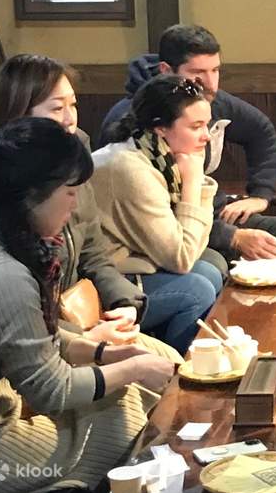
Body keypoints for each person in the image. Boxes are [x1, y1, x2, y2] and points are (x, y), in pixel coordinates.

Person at [0, 118, 175, 493]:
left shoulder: (2, 242)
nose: (77, 202)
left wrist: (102, 351)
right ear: (32, 194)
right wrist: (133, 368)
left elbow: (38, 336)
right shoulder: (2, 272)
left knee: (143, 359)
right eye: (69, 191)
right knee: (125, 406)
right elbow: (49, 390)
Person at [0, 54, 180, 363]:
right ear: (18, 115)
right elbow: (13, 307)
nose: (71, 119)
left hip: (79, 319)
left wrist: (124, 302)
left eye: (74, 105)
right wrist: (85, 340)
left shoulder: (75, 155)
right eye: (57, 108)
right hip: (37, 345)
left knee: (172, 364)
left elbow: (93, 252)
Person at [102, 24, 276, 263]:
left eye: (216, 70)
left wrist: (260, 194)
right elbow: (159, 228)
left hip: (214, 214)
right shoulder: (132, 123)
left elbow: (261, 130)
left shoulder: (209, 99)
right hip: (166, 235)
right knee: (213, 267)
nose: (210, 84)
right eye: (198, 73)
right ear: (166, 70)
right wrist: (233, 237)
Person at [95, 75, 225, 352]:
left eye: (207, 124)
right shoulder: (130, 168)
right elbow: (181, 258)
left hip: (135, 263)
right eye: (196, 126)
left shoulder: (157, 155)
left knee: (211, 270)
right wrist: (194, 183)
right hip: (105, 282)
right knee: (196, 289)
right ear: (160, 128)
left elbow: (190, 250)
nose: (206, 136)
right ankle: (176, 378)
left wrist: (193, 178)